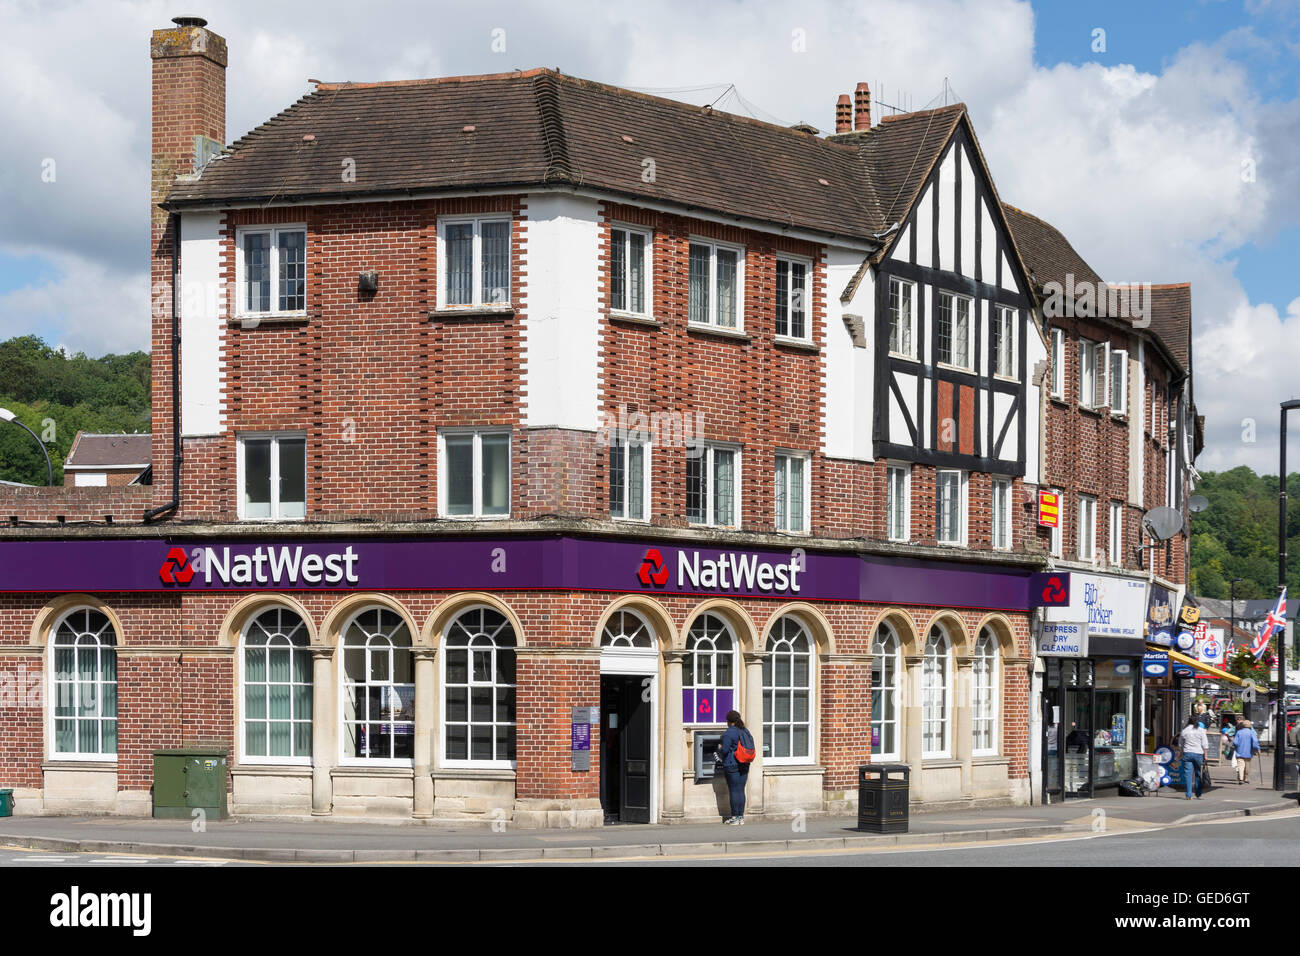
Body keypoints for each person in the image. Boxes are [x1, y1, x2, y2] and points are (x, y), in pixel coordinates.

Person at [715, 710, 754, 825]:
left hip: (732, 764)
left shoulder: (729, 733)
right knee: (741, 790)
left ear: (728, 721)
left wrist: (719, 750)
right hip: (745, 763)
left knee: (733, 790)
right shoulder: (745, 731)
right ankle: (741, 817)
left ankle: (735, 817)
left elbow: (725, 750)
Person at [1177, 715, 1209, 799]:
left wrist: (1181, 753)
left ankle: (1188, 795)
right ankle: (1198, 793)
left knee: (1188, 775)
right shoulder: (1201, 730)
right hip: (1198, 753)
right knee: (1198, 773)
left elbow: (1180, 744)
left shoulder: (1184, 730)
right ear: (1197, 721)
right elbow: (1205, 744)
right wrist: (1206, 755)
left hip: (1187, 753)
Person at [1233, 719, 1261, 784]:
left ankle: (1241, 779)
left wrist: (1237, 746)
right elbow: (1255, 742)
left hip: (1239, 751)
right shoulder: (1251, 733)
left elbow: (1235, 742)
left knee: (1240, 765)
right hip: (1248, 752)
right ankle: (1246, 778)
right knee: (1247, 765)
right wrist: (1257, 749)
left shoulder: (1239, 732)